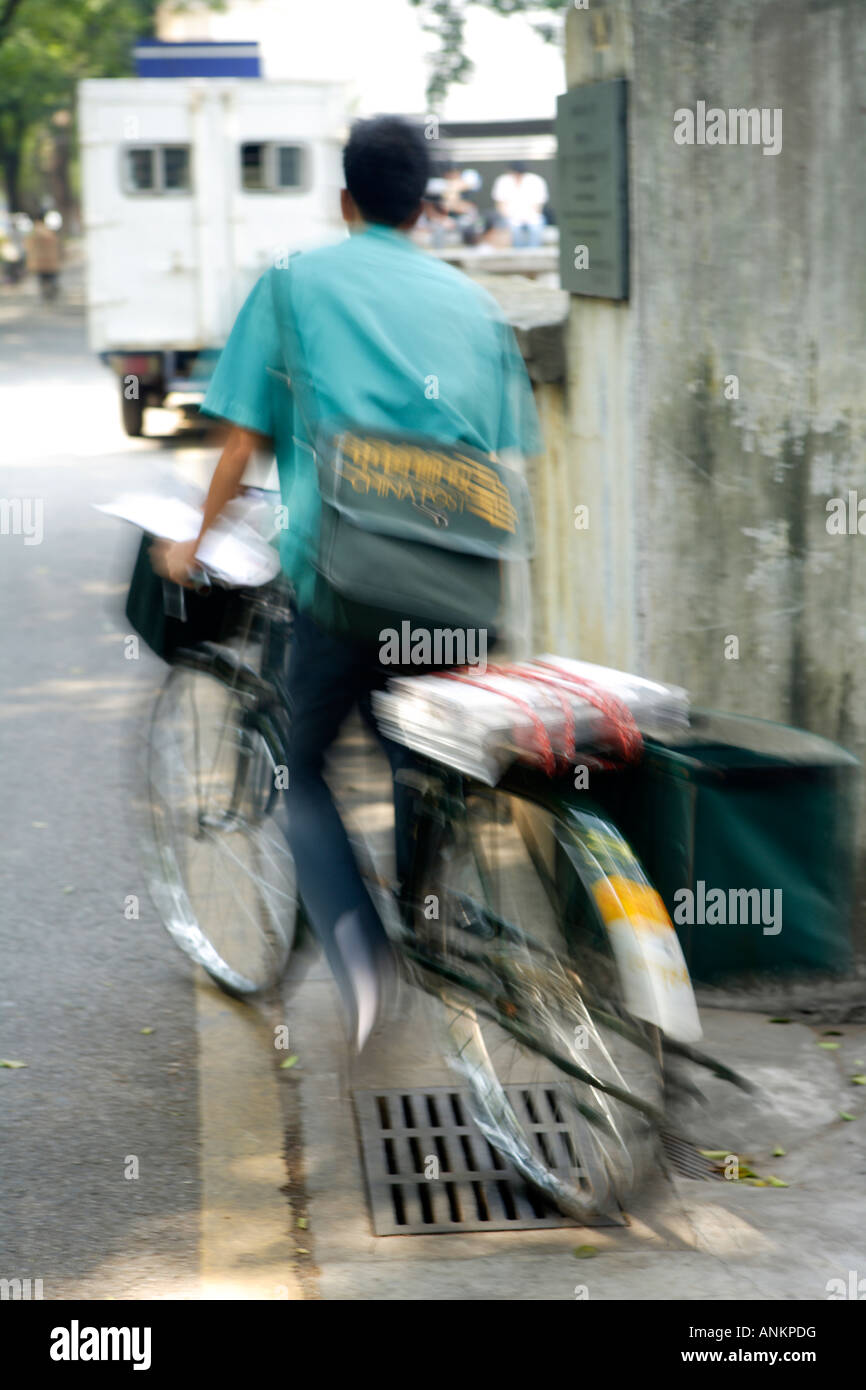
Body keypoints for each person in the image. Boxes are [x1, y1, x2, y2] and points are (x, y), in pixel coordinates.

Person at [154, 115, 541, 1050]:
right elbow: (502, 447)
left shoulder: (296, 284)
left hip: (346, 577)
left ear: (344, 199)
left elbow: (242, 437)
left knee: (303, 764)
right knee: (419, 749)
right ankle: (429, 919)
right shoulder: (475, 305)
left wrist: (193, 544)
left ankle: (363, 958)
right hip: (463, 584)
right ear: (425, 206)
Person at [491, 161, 549, 248]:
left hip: (532, 217)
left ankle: (532, 254)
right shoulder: (503, 181)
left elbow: (538, 207)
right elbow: (500, 206)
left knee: (536, 228)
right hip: (510, 218)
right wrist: (511, 217)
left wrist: (526, 217)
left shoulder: (536, 181)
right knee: (513, 229)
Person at [26, 213, 61, 298]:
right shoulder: (49, 231)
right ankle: (50, 291)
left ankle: (48, 292)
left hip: (39, 262)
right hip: (50, 261)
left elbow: (29, 246)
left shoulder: (33, 233)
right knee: (50, 279)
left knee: (43, 280)